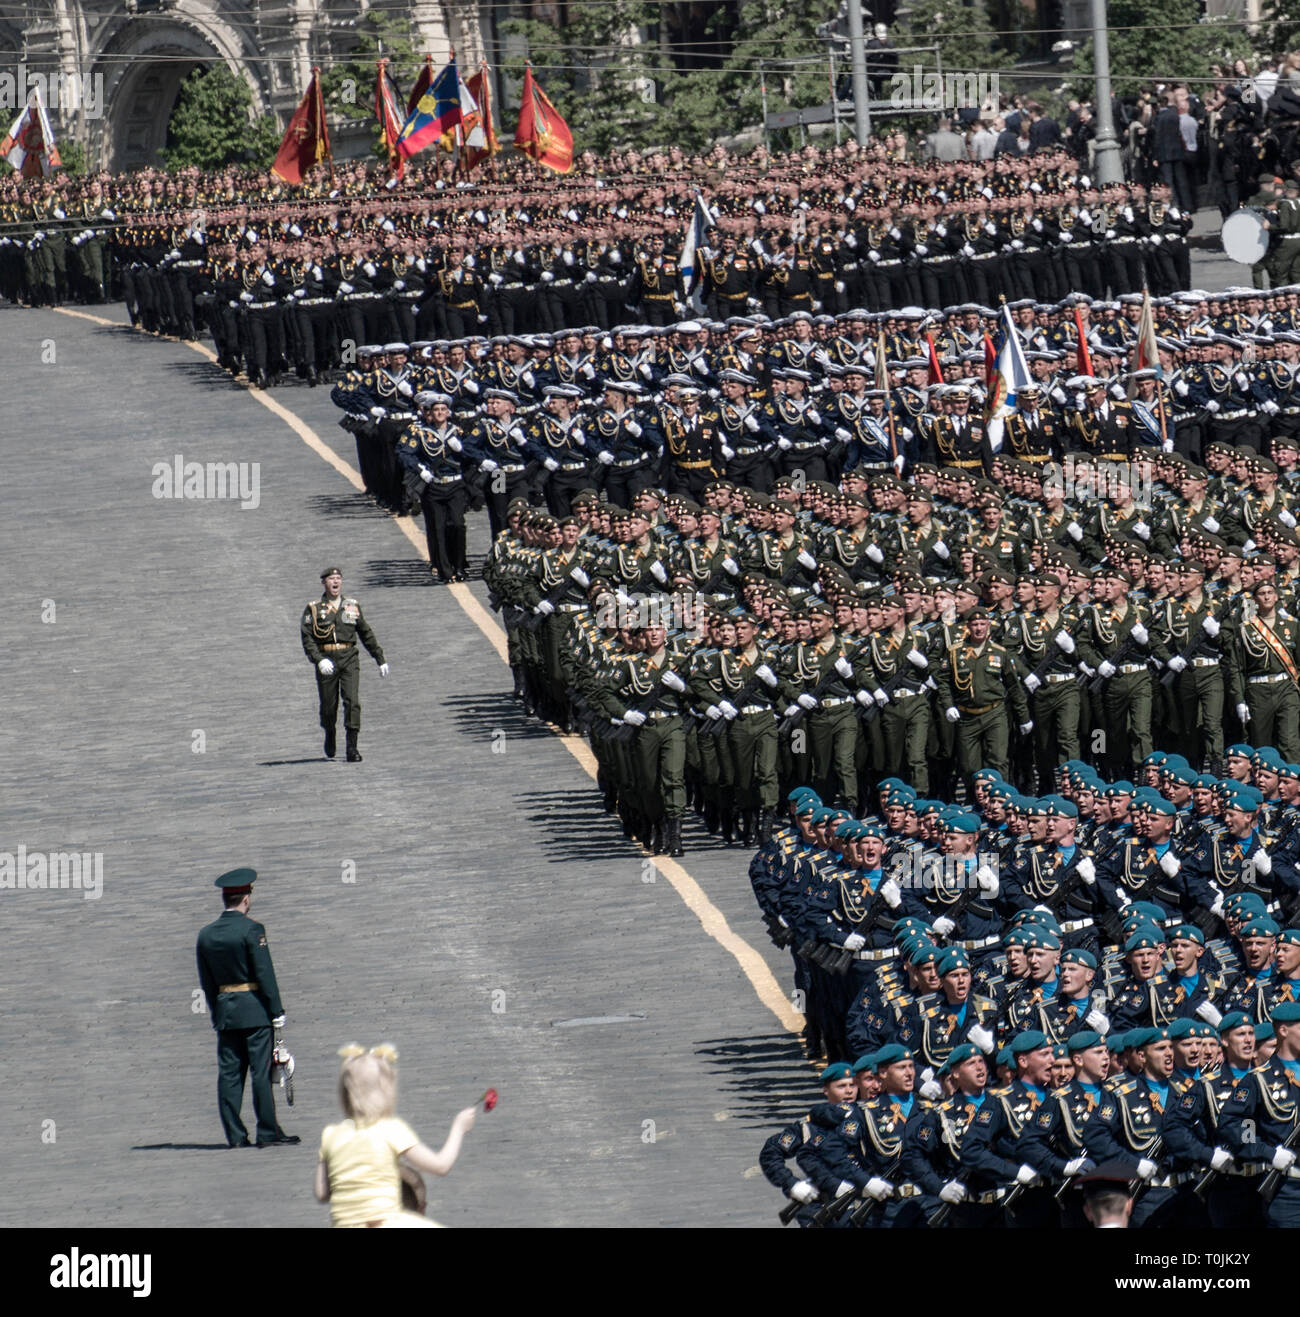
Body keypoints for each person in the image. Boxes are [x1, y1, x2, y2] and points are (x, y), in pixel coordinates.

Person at [314, 1044, 478, 1228]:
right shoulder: (390, 1129)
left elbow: (322, 1193)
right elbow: (441, 1166)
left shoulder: (331, 1135)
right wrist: (459, 1127)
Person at [195, 868, 298, 1149]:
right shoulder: (253, 930)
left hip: (226, 1013)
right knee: (260, 1073)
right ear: (246, 898)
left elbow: (207, 983)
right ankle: (267, 1130)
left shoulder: (205, 936)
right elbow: (265, 974)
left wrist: (217, 1013)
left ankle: (235, 1136)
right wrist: (276, 1011)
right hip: (254, 1012)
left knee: (229, 1075)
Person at [300, 566, 389, 761]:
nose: (335, 582)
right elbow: (307, 638)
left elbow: (365, 633)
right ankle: (330, 731)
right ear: (324, 582)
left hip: (349, 657)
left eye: (338, 578)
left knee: (352, 701)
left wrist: (379, 658)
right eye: (331, 579)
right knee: (329, 705)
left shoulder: (352, 606)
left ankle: (352, 747)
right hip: (328, 659)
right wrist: (319, 659)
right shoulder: (314, 609)